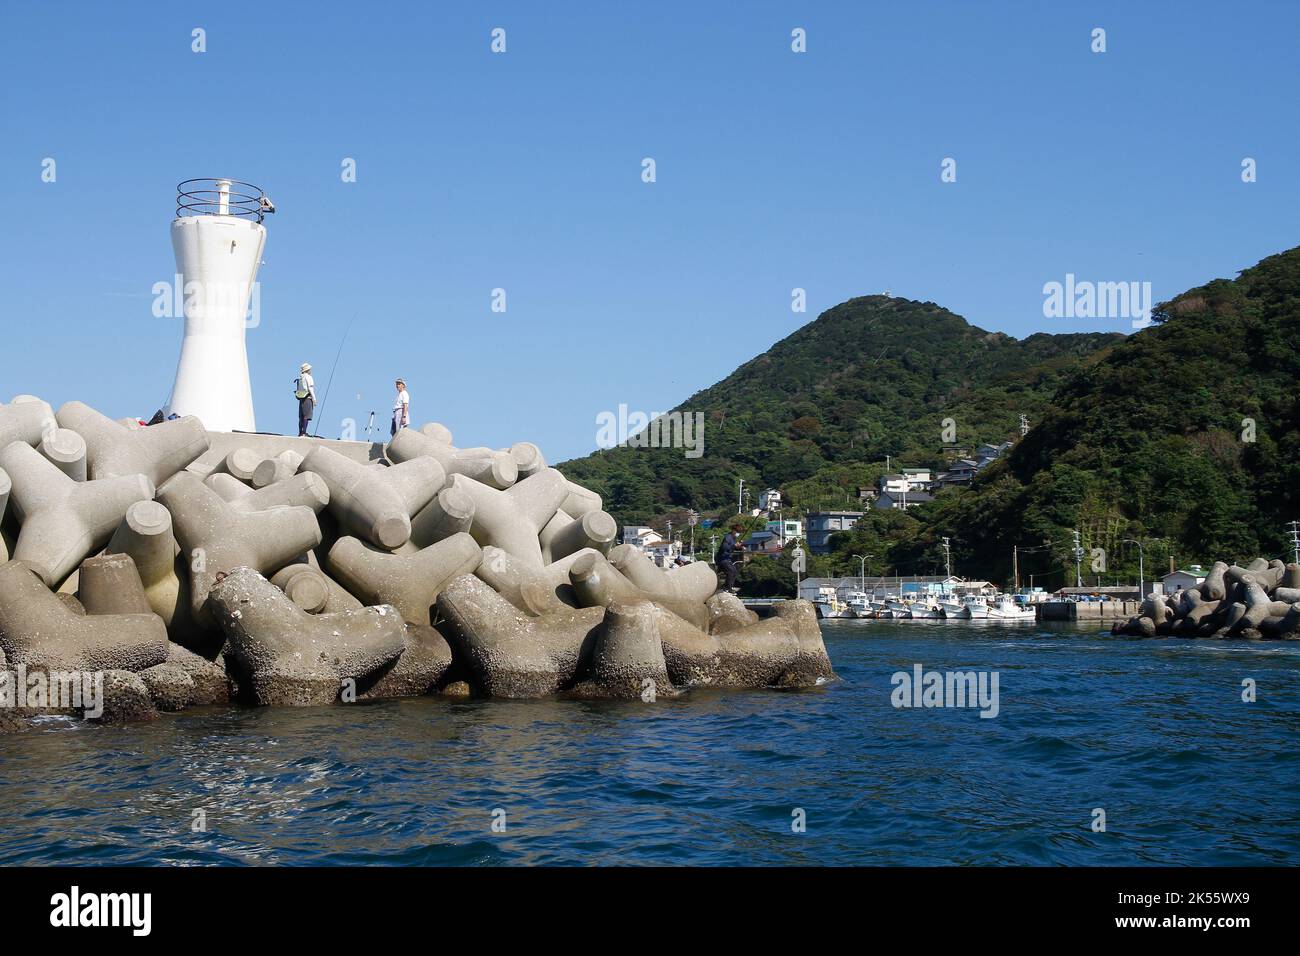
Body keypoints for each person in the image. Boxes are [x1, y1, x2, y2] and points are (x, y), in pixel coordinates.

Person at [717, 525, 745, 593]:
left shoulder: (733, 538)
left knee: (734, 571)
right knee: (731, 571)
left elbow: (733, 548)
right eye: (738, 532)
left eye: (740, 532)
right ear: (733, 530)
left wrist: (739, 547)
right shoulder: (728, 537)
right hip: (722, 559)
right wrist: (734, 545)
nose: (739, 534)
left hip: (727, 559)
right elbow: (724, 547)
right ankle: (728, 588)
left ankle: (727, 586)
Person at [295, 362, 316, 437]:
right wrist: (314, 399)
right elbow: (310, 388)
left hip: (301, 398)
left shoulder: (301, 378)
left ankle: (300, 432)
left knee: (301, 416)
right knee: (306, 416)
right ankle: (304, 432)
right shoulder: (308, 377)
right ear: (308, 370)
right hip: (307, 398)